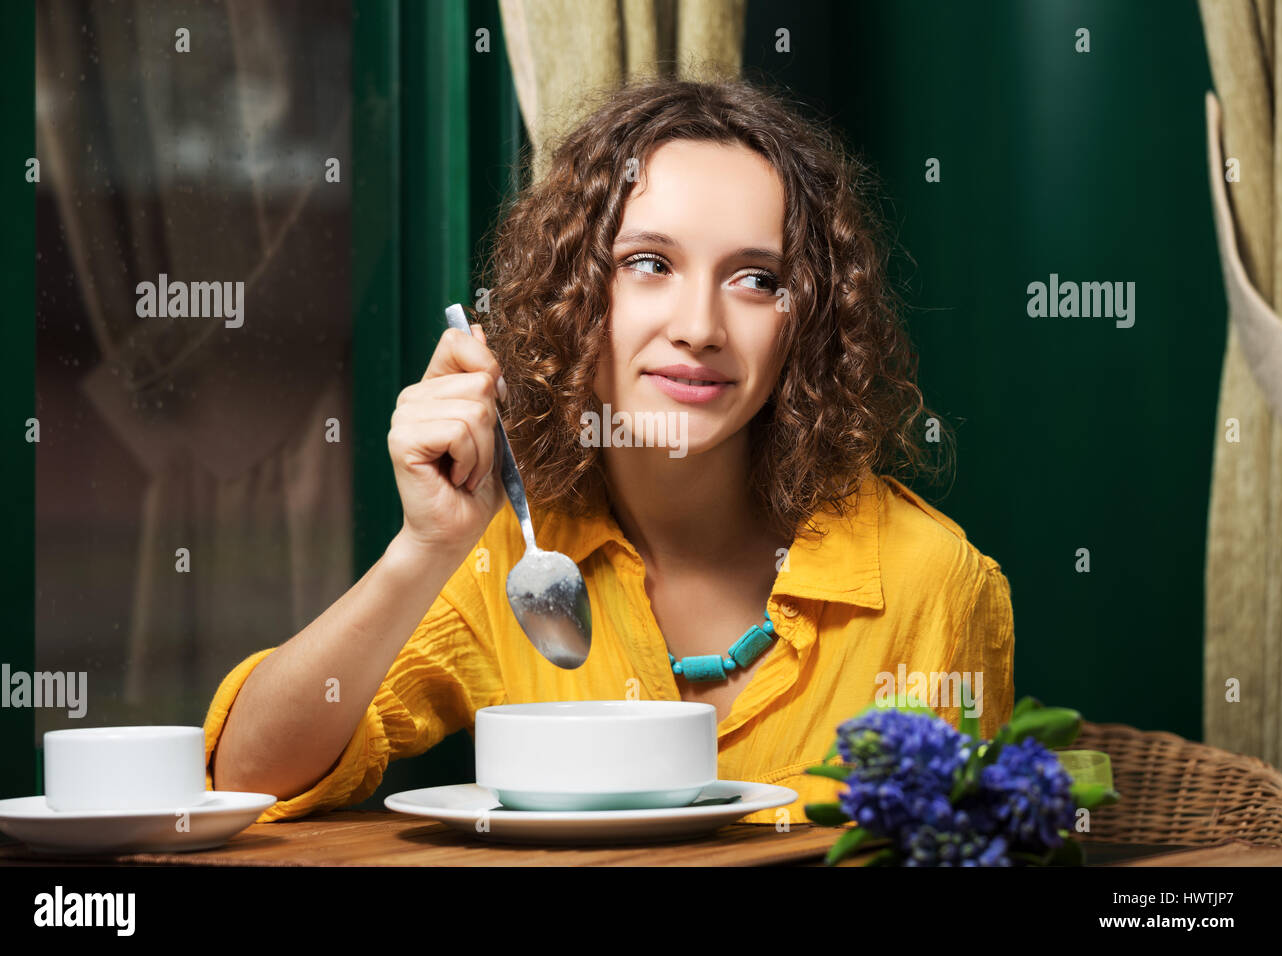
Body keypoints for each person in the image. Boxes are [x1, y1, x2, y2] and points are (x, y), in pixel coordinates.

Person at [207, 76, 1015, 825]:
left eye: (757, 280)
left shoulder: (930, 583)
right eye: (649, 265)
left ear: (807, 325)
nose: (699, 326)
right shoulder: (512, 555)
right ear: (570, 296)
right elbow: (249, 774)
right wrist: (425, 548)